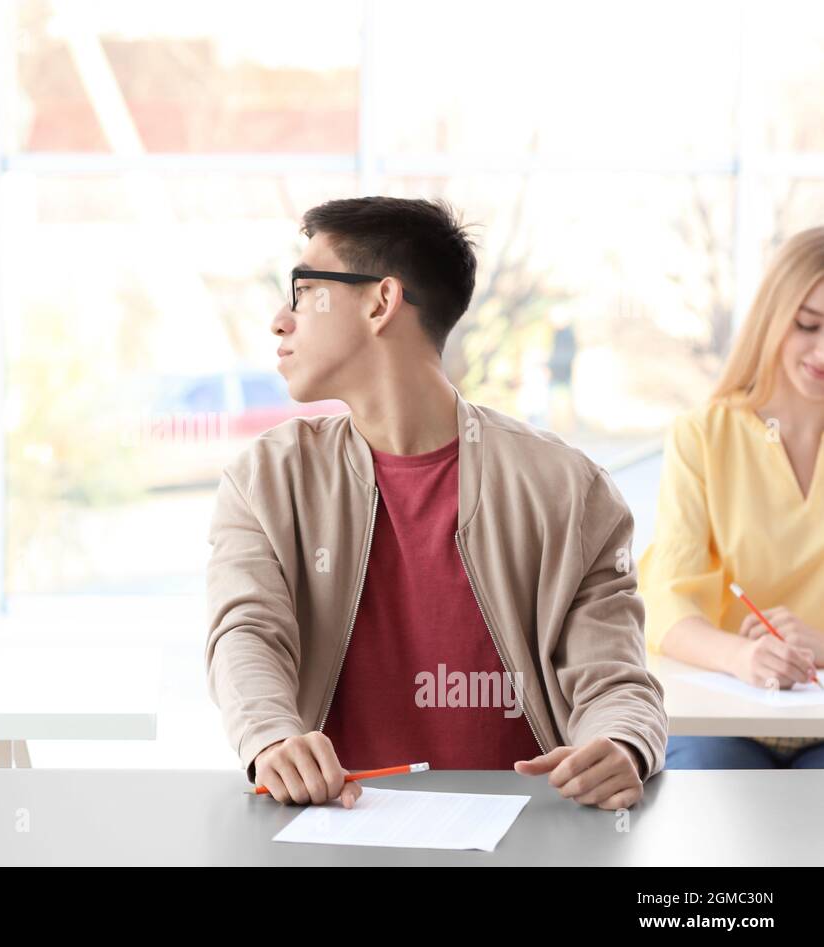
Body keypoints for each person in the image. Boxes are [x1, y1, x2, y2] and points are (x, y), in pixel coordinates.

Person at [205, 196, 666, 811]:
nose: (279, 321)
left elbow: (615, 680)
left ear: (380, 302)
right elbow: (246, 634)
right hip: (335, 827)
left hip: (528, 832)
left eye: (304, 290)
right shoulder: (266, 478)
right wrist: (272, 737)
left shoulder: (568, 489)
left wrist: (620, 744)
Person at [640, 226, 824, 770]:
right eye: (808, 325)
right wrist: (745, 656)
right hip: (728, 714)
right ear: (771, 317)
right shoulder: (704, 435)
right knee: (711, 788)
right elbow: (670, 608)